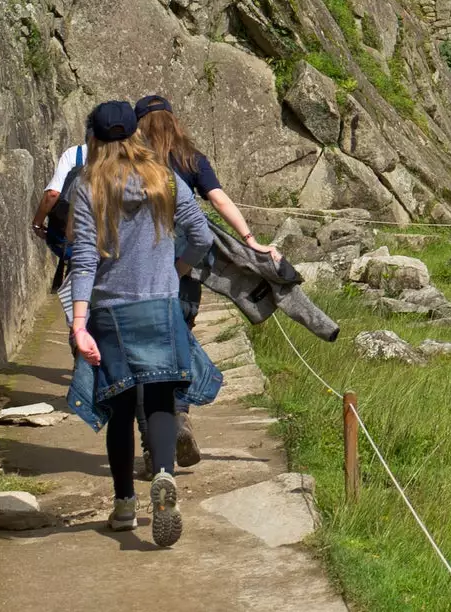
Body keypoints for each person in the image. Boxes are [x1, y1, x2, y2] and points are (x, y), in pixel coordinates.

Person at [66, 102, 218, 547]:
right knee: (159, 398)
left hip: (111, 311)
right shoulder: (165, 179)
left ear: (94, 137)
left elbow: (85, 258)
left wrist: (79, 325)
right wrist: (178, 269)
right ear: (135, 135)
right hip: (162, 306)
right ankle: (165, 473)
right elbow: (203, 236)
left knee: (118, 408)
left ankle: (125, 503)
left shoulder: (87, 185)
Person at [133, 94, 275, 470]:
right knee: (178, 340)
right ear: (173, 121)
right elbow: (219, 200)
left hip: (140, 271)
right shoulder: (191, 159)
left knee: (144, 356)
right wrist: (250, 239)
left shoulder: (132, 163)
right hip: (184, 268)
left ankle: (153, 446)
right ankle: (179, 414)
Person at [31, 104, 137, 325]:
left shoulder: (75, 155)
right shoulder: (145, 168)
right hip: (124, 250)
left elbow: (52, 194)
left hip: (82, 241)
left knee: (82, 292)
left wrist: (38, 223)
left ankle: (80, 334)